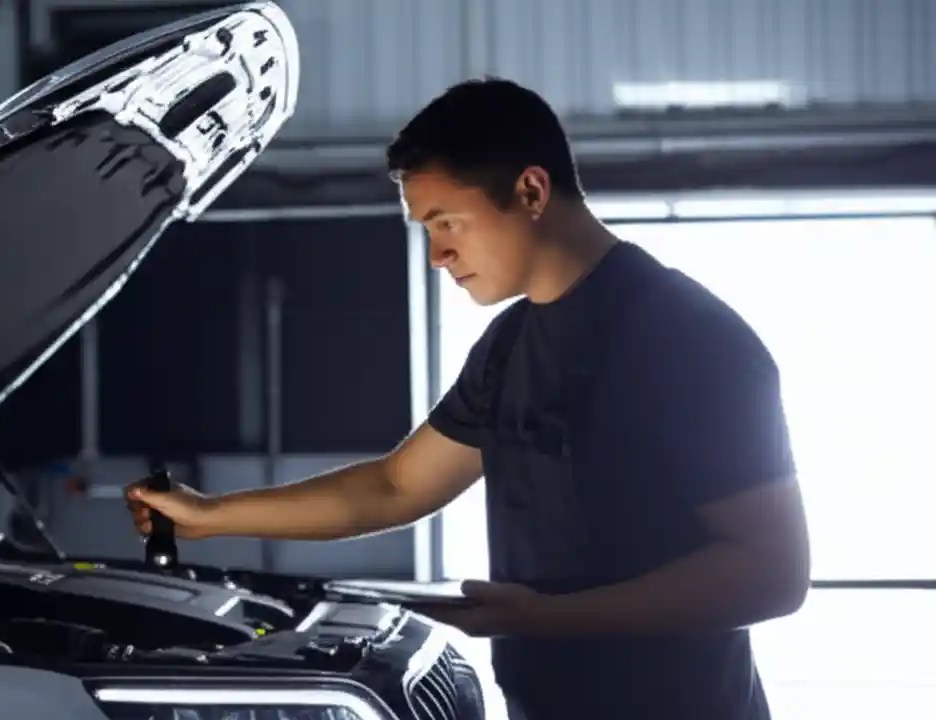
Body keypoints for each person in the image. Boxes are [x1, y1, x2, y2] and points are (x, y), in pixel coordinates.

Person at [124, 77, 810, 720]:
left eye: (447, 222)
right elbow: (395, 487)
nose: (437, 255)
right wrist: (210, 517)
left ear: (532, 192)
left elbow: (772, 575)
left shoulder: (688, 338)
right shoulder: (508, 347)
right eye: (425, 229)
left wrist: (543, 618)